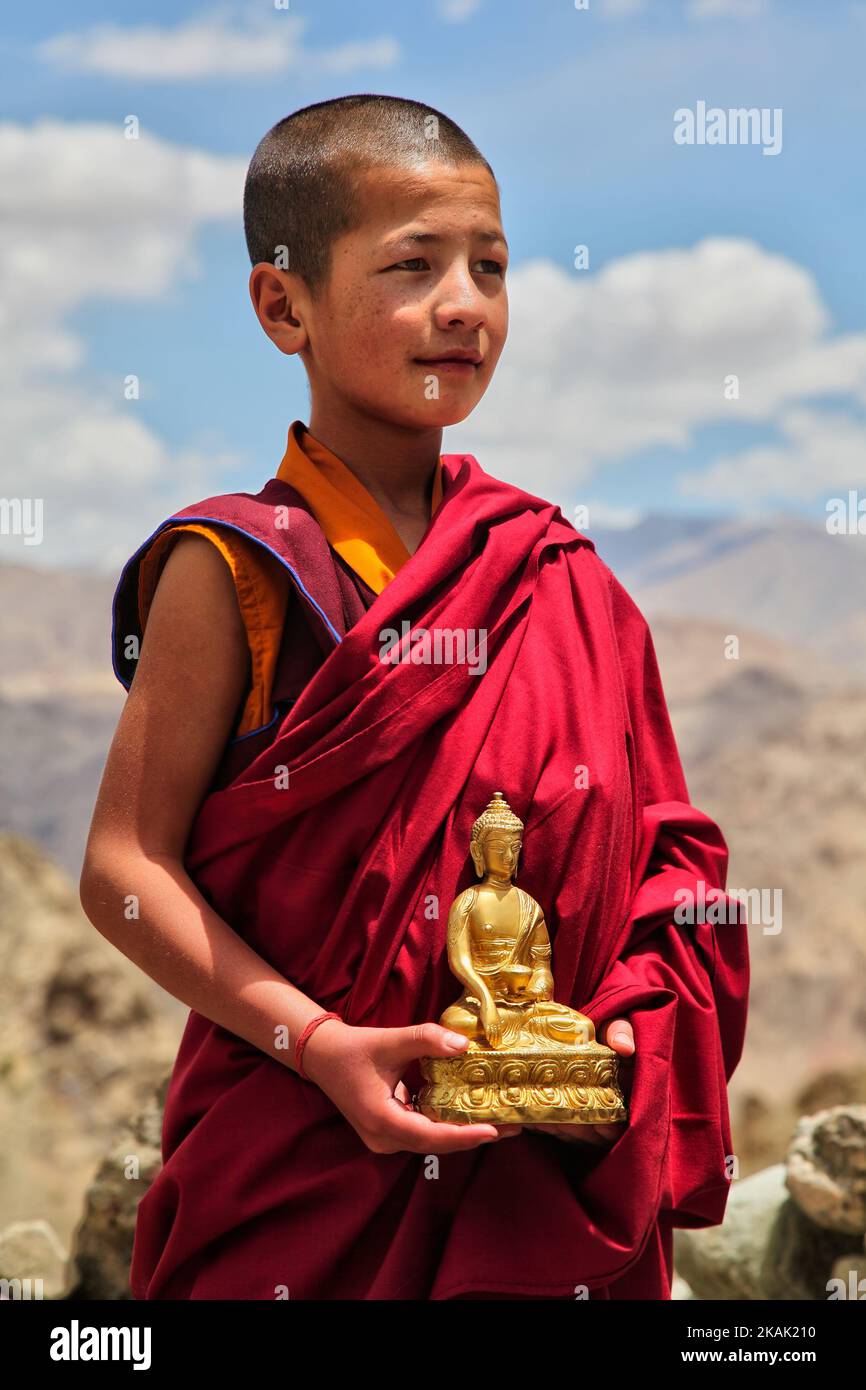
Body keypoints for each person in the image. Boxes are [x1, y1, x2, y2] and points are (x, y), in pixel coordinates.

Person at [80, 94, 749, 1301]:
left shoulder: (565, 577)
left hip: (531, 1178)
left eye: (490, 267)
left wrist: (626, 1037)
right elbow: (125, 870)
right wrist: (322, 1044)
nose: (464, 304)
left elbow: (669, 867)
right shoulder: (237, 567)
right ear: (282, 304)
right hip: (300, 1162)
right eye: (413, 265)